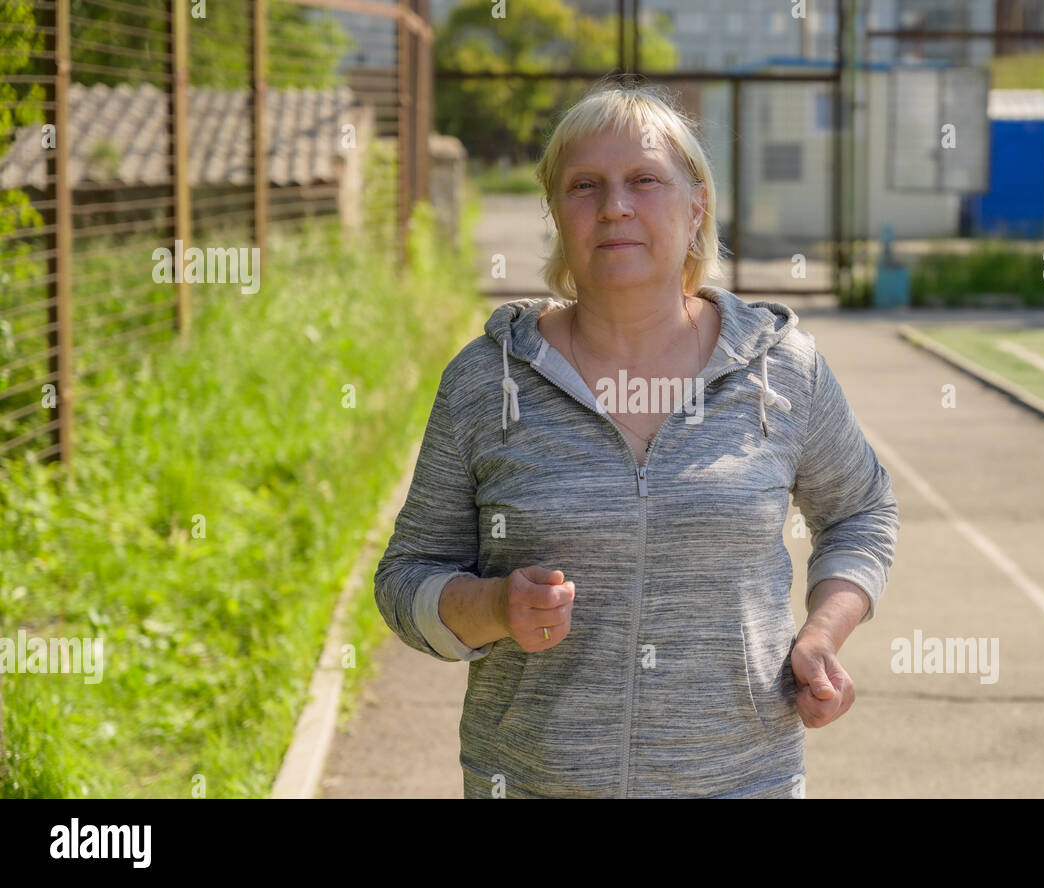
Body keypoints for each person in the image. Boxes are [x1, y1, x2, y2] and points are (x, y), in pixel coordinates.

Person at [374, 78, 900, 798]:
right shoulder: (484, 382)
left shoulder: (782, 368)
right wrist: (494, 607)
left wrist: (820, 636)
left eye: (644, 180)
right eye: (584, 185)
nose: (615, 205)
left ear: (696, 205)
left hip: (742, 781)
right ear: (557, 213)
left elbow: (862, 512)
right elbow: (406, 578)